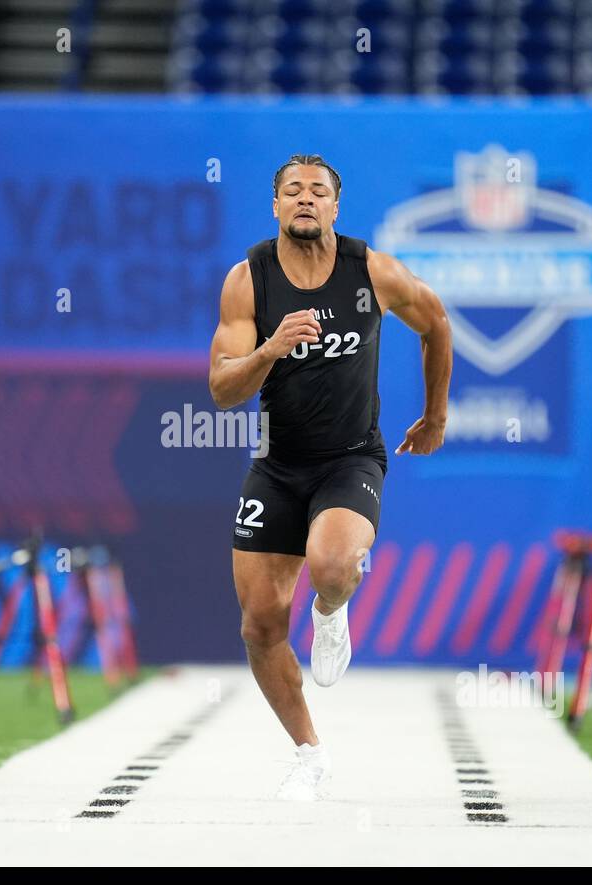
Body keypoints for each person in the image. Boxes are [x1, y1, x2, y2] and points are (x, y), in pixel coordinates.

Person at [208, 154, 452, 801]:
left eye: (319, 191)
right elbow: (221, 389)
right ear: (276, 205)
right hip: (279, 465)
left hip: (351, 458)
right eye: (293, 191)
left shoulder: (371, 271)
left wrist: (434, 415)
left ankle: (331, 608)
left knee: (332, 562)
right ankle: (308, 754)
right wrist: (268, 348)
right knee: (259, 626)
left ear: (336, 207)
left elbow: (436, 323)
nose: (306, 199)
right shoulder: (248, 281)